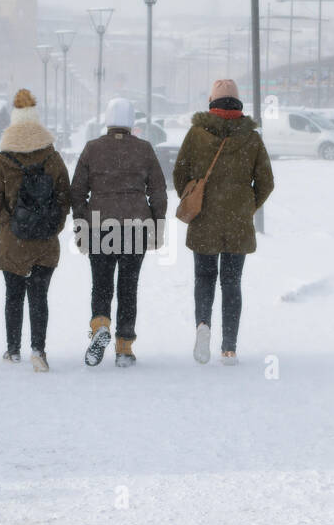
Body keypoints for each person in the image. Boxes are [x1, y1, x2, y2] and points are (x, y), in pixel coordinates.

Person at [171, 79, 274, 365]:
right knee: (232, 282)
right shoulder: (251, 138)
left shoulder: (196, 134)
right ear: (238, 103)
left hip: (204, 218)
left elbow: (179, 173)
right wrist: (247, 206)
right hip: (238, 222)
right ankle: (229, 348)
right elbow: (266, 181)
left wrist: (192, 197)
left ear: (211, 102)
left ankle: (203, 325)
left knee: (204, 277)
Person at [70, 97, 168, 367]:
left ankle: (101, 325)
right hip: (136, 227)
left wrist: (80, 225)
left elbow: (77, 191)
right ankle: (124, 347)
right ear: (131, 121)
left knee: (101, 284)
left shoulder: (92, 148)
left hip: (100, 226)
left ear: (107, 120)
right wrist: (158, 225)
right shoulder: (144, 149)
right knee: (128, 287)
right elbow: (158, 191)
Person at [0, 89, 70, 372]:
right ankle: (38, 351)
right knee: (39, 296)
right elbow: (65, 197)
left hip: (12, 239)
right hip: (45, 239)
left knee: (13, 295)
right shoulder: (53, 158)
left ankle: (12, 350)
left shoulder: (2, 160)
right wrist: (54, 225)